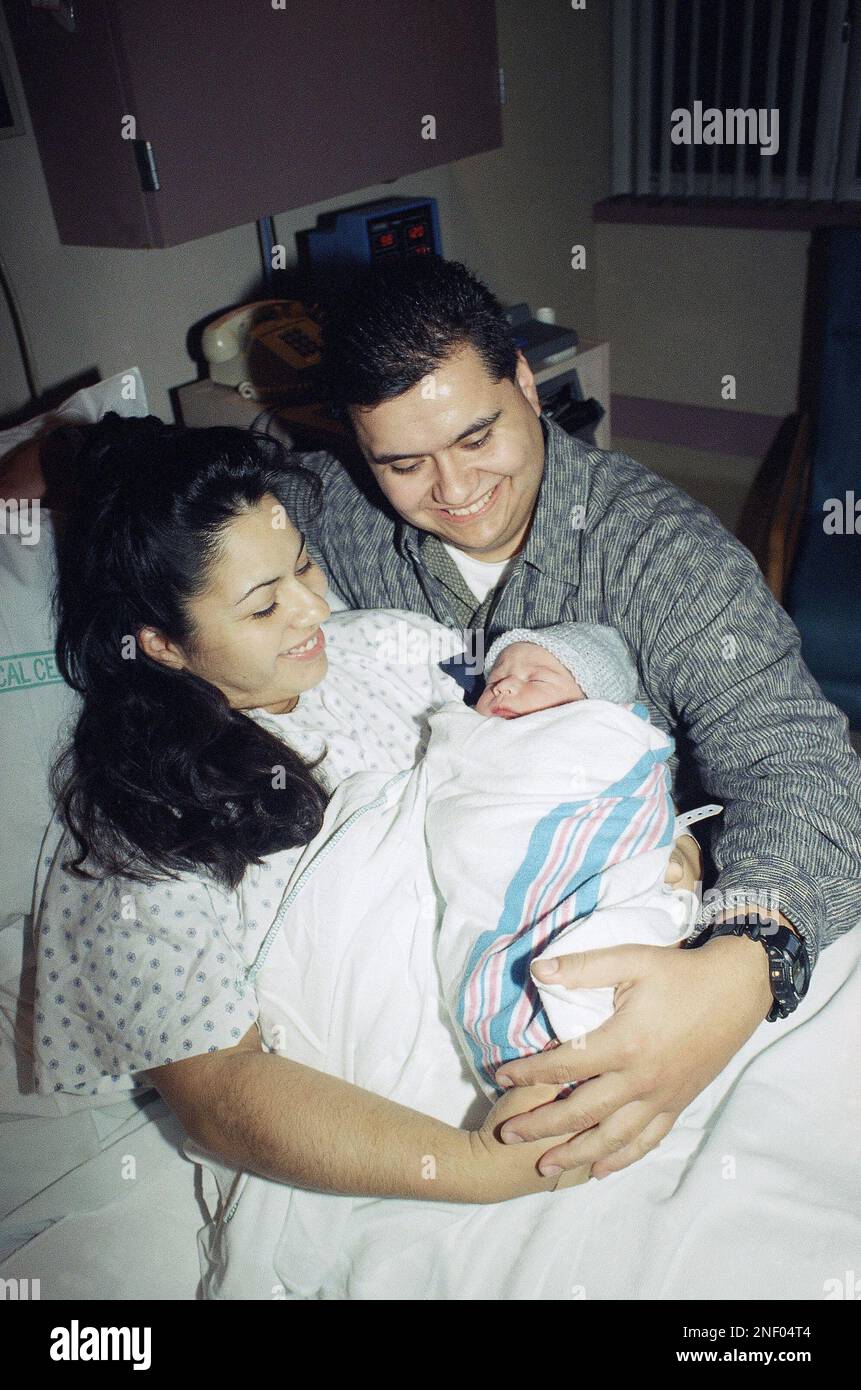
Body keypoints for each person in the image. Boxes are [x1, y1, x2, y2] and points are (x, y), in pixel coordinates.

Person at [276, 254, 861, 1179]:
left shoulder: (661, 555)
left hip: (622, 879)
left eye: (478, 436)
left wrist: (748, 964)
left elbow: (796, 761)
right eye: (402, 461)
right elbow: (208, 499)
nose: (454, 490)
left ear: (524, 382)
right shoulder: (329, 514)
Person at [28, 414, 589, 1205]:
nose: (313, 611)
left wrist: (662, 846)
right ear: (160, 644)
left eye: (305, 567)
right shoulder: (140, 823)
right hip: (401, 1122)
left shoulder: (387, 647)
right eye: (263, 607)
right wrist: (475, 1168)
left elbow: (550, 739)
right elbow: (220, 1090)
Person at [439, 620, 712, 1091]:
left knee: (596, 978)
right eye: (495, 679)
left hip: (593, 917)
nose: (503, 684)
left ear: (597, 706)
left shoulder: (601, 734)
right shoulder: (471, 738)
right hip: (501, 920)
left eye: (537, 678)